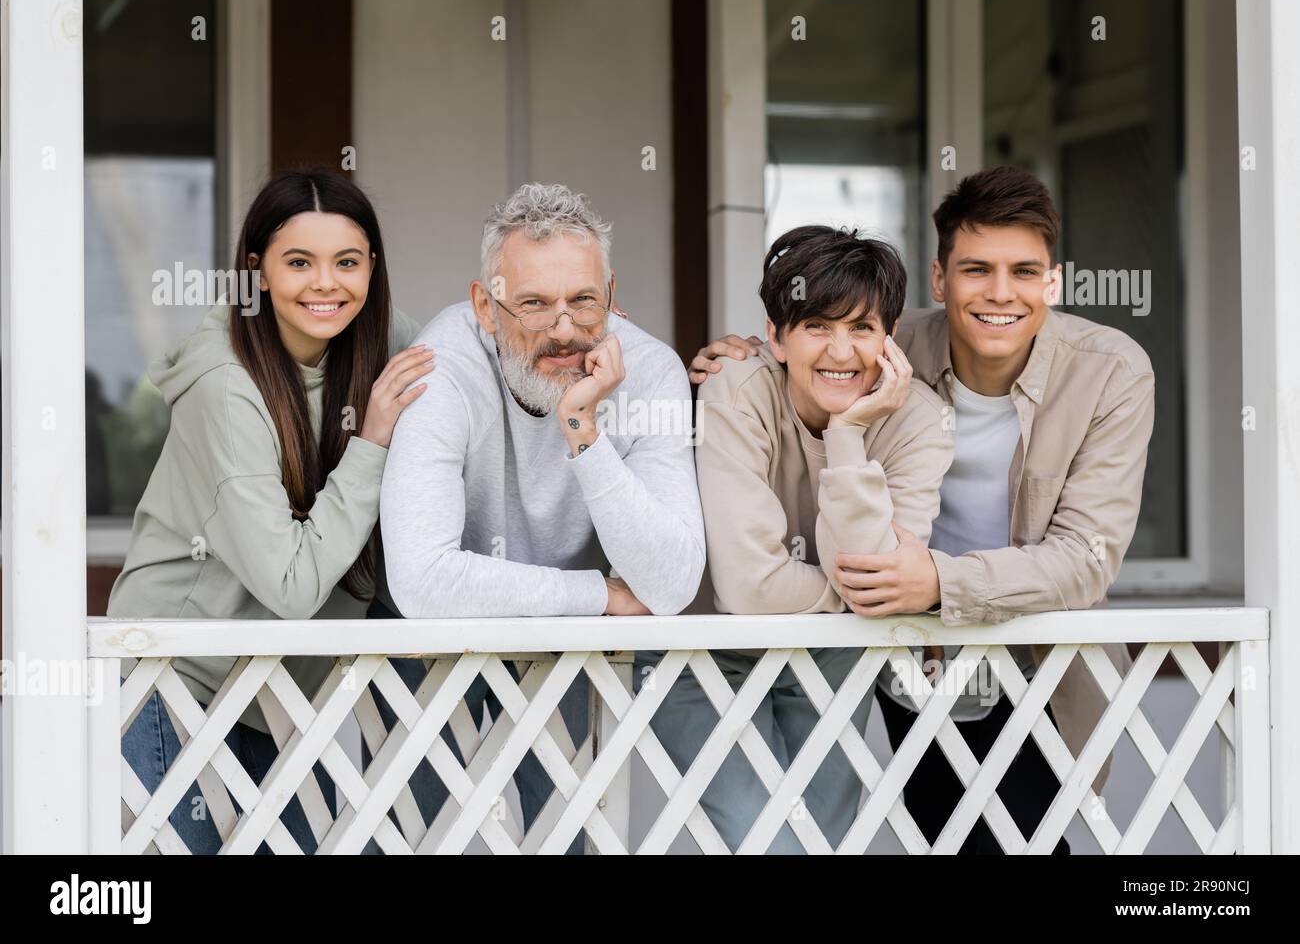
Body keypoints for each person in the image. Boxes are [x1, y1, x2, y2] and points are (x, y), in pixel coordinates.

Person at [690, 167, 1155, 853]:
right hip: (907, 656)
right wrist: (746, 359)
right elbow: (817, 346)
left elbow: (1087, 559)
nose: (1001, 293)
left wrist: (939, 583)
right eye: (977, 270)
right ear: (940, 280)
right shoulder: (886, 345)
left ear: (1052, 282)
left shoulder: (1111, 372)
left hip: (1033, 657)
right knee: (940, 836)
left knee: (1025, 839)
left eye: (1024, 271)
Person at [372, 182, 705, 851]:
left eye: (583, 301)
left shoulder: (649, 371)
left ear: (610, 296)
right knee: (426, 844)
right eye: (533, 304)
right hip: (433, 647)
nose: (563, 330)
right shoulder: (441, 369)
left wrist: (582, 427)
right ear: (485, 306)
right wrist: (596, 596)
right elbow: (419, 579)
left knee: (563, 840)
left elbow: (671, 583)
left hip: (566, 649)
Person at [110, 169, 431, 854]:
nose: (326, 284)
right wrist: (371, 441)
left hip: (273, 692)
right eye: (298, 263)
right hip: (173, 678)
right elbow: (290, 587)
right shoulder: (227, 389)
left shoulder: (382, 342)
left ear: (372, 266)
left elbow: (485, 367)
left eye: (347, 262)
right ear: (256, 270)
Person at [651, 225, 951, 852]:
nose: (841, 350)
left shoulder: (920, 420)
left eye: (862, 328)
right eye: (817, 325)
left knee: (826, 842)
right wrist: (855, 592)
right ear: (777, 335)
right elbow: (748, 588)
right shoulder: (736, 389)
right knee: (766, 842)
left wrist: (848, 435)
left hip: (832, 657)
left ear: (890, 340)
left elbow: (876, 574)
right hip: (706, 654)